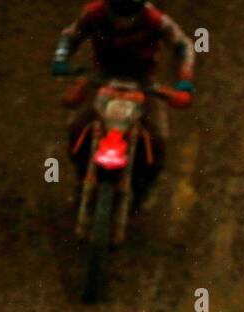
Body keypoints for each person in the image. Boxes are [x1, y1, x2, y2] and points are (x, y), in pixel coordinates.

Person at [51, 0, 196, 204]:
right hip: (102, 77)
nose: (123, 23)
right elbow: (70, 35)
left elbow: (183, 44)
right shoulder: (94, 13)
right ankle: (82, 176)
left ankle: (145, 189)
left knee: (158, 136)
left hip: (143, 82)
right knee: (76, 126)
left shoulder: (155, 19)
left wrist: (185, 81)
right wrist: (61, 58)